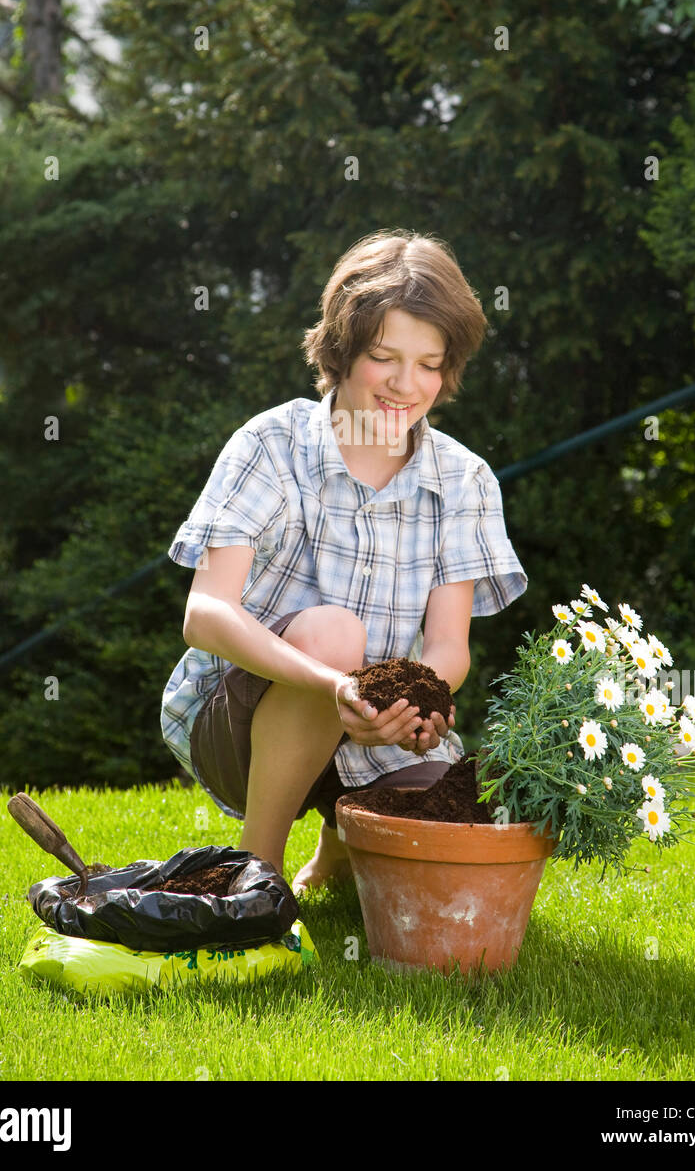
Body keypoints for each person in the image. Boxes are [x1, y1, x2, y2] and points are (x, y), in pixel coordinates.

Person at [160, 228, 528, 895]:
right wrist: (334, 687)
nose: (404, 384)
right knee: (335, 636)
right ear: (343, 348)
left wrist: (416, 707)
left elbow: (450, 647)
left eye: (428, 363)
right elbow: (206, 614)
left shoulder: (465, 480)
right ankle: (256, 878)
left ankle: (334, 856)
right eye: (384, 356)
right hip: (238, 725)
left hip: (374, 736)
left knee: (439, 881)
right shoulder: (271, 444)